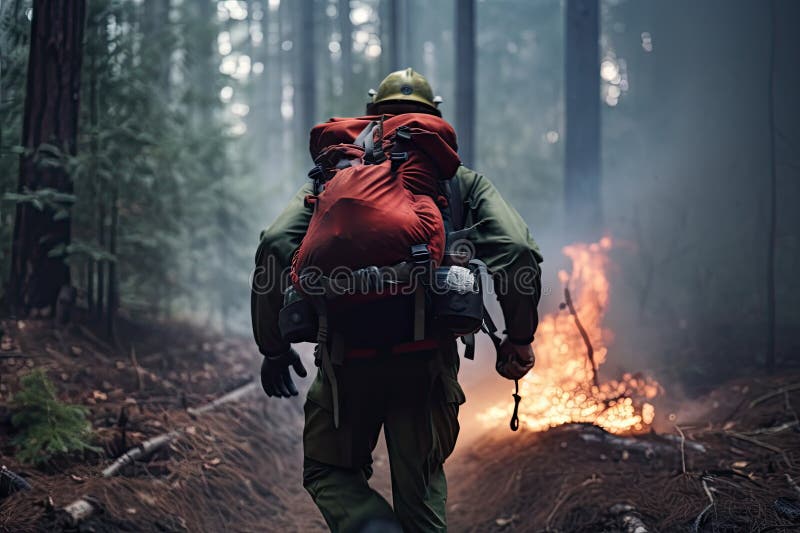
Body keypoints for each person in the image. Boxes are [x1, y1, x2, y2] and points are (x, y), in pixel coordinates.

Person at [251, 68, 543, 533]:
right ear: (435, 119)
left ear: (372, 118)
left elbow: (272, 246)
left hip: (345, 362)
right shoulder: (461, 183)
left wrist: (273, 345)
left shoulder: (332, 179)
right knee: (421, 490)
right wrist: (519, 338)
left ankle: (371, 527)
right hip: (425, 365)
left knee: (330, 472)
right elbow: (518, 252)